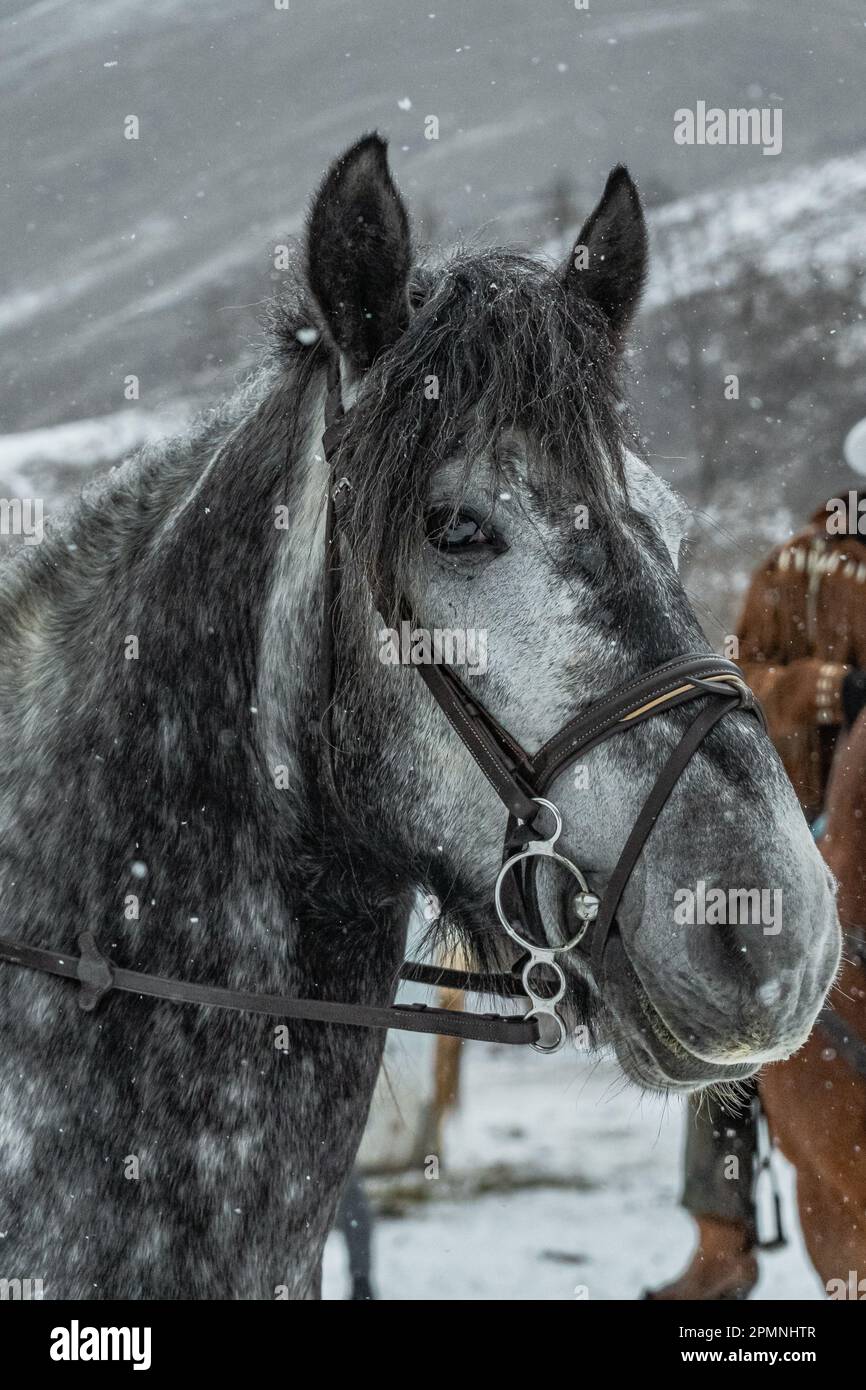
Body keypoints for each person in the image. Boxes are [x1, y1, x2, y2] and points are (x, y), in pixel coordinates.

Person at [648, 421, 866, 1300]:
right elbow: (742, 679)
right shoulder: (796, 568)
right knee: (730, 989)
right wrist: (827, 688)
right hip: (800, 820)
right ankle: (721, 1232)